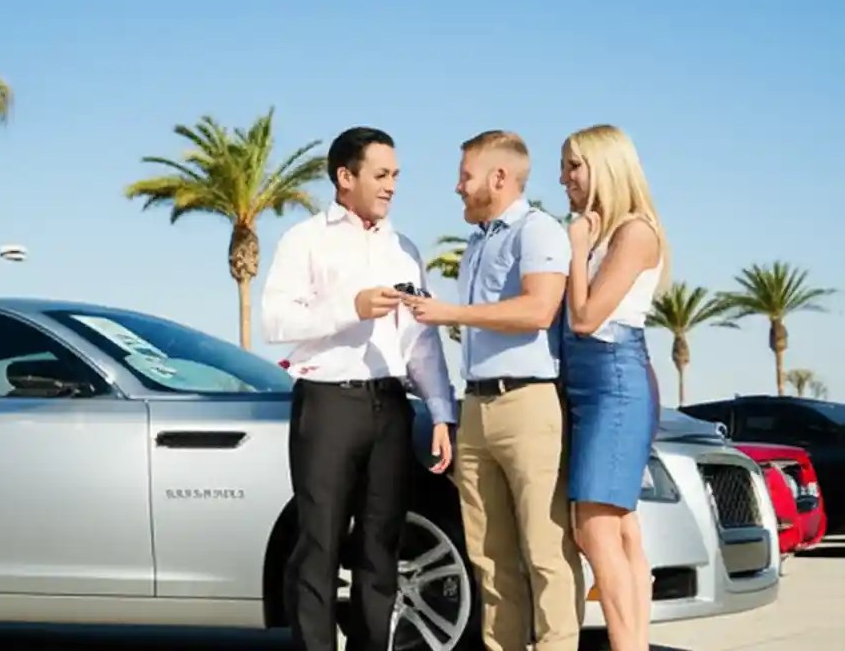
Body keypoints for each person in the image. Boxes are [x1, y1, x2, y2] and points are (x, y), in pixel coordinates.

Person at [260, 126, 458, 651]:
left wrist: (441, 411)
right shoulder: (304, 240)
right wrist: (349, 308)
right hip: (327, 404)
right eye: (381, 174)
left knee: (382, 545)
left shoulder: (405, 249)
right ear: (345, 178)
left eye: (396, 175)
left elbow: (422, 344)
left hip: (392, 406)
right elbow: (275, 321)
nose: (392, 185)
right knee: (319, 544)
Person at [405, 130, 585, 651]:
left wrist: (450, 313)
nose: (457, 187)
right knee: (488, 556)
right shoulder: (479, 242)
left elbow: (537, 310)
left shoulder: (538, 231)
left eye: (465, 175)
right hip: (477, 406)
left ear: (498, 177)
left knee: (546, 551)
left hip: (529, 405)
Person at [558, 123, 667, 651]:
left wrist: (576, 246)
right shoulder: (603, 231)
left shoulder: (634, 232)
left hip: (616, 382)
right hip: (586, 383)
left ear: (605, 166)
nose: (565, 179)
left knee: (596, 529)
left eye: (573, 166)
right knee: (620, 529)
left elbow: (585, 317)